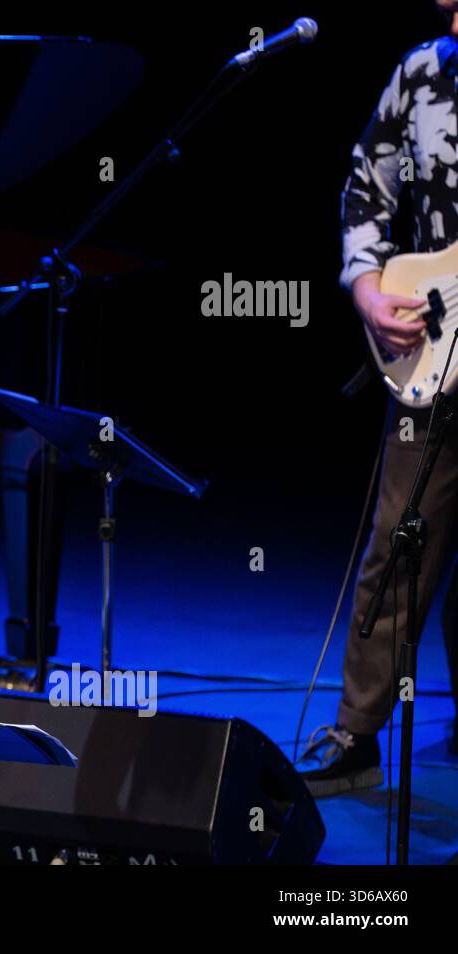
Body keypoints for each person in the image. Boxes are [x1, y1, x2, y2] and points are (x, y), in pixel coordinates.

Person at [300, 5, 458, 796]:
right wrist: (365, 282)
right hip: (435, 353)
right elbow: (368, 183)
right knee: (399, 540)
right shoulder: (424, 70)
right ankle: (357, 735)